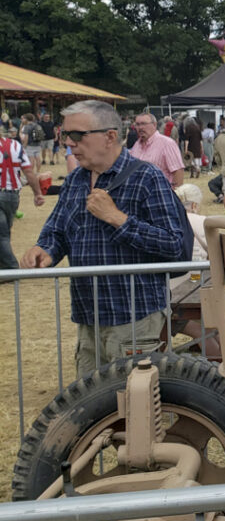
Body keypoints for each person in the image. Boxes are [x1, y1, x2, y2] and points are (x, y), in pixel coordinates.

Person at [21, 100, 186, 377]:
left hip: (134, 317)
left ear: (110, 136)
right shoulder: (75, 180)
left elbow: (172, 243)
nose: (68, 144)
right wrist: (45, 250)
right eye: (64, 135)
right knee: (94, 407)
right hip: (88, 316)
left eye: (76, 136)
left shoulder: (148, 177)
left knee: (138, 406)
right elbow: (57, 231)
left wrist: (117, 218)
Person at [0, 129, 46, 268]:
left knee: (2, 235)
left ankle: (11, 268)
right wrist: (37, 193)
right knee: (4, 232)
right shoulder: (15, 145)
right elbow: (28, 172)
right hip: (12, 195)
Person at [130, 112, 184, 187]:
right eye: (137, 124)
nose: (140, 127)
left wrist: (174, 195)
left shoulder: (167, 144)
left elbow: (178, 171)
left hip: (161, 195)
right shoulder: (136, 145)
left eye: (144, 124)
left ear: (154, 125)